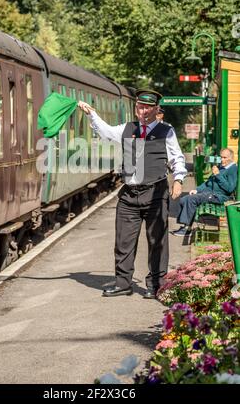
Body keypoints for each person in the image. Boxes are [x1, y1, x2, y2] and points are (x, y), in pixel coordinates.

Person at [78, 90, 187, 299]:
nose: (143, 111)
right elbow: (107, 131)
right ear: (135, 107)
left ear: (156, 109)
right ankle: (123, 283)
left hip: (155, 192)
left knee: (157, 241)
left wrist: (179, 180)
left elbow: (177, 158)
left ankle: (156, 284)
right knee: (123, 241)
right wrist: (91, 114)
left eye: (147, 108)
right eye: (139, 107)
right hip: (129, 194)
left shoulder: (167, 131)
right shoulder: (127, 128)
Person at [171, 147, 238, 236]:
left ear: (231, 158)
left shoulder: (232, 169)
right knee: (184, 199)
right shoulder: (220, 167)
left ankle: (187, 229)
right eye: (221, 157)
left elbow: (230, 188)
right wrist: (197, 190)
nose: (222, 159)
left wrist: (218, 175)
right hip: (209, 193)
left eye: (225, 157)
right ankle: (186, 227)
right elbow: (208, 182)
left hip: (219, 196)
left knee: (192, 199)